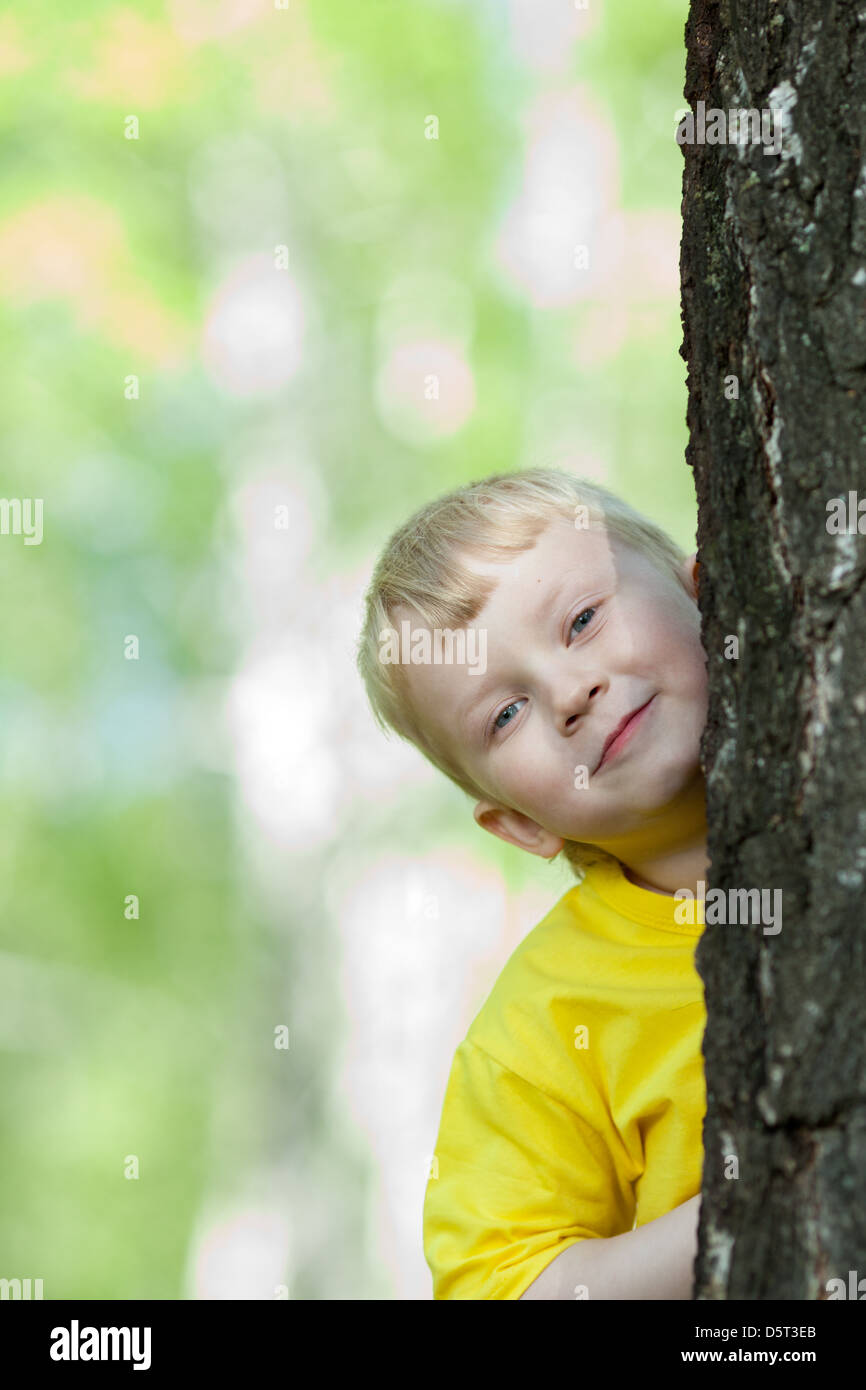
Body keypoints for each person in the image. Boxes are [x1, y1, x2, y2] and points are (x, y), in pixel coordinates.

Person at [355, 468, 707, 1299]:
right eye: (504, 715)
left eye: (582, 620)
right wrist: (752, 1208)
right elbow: (501, 1285)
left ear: (713, 592)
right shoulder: (538, 1031)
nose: (568, 691)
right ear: (520, 824)